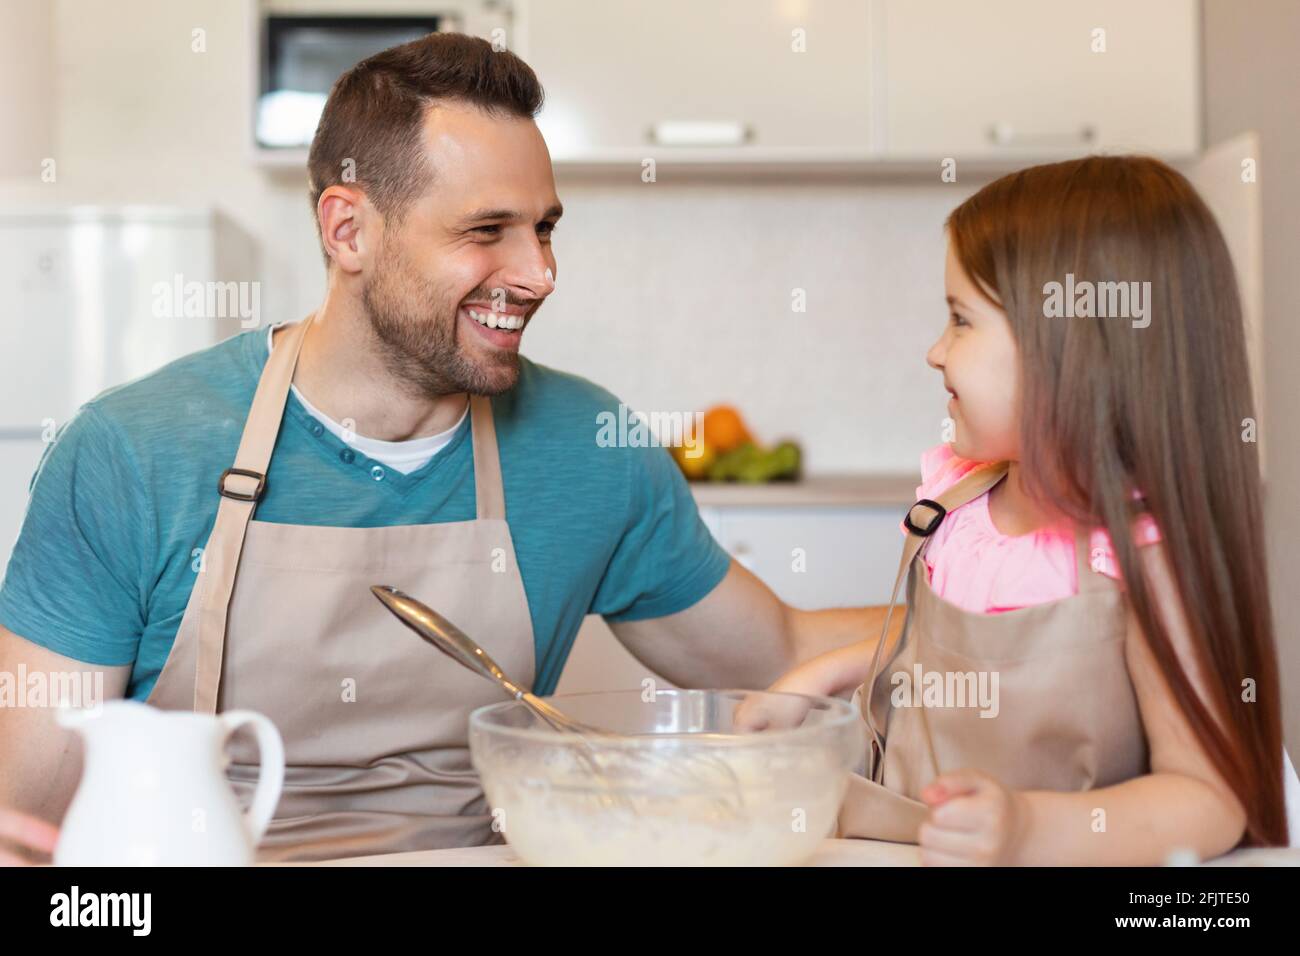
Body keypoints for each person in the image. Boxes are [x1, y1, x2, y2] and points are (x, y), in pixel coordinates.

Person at [0, 33, 878, 863]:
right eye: (486, 231)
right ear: (348, 231)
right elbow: (28, 819)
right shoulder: (132, 452)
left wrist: (1003, 622)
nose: (538, 274)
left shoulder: (589, 450)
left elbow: (782, 655)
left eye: (546, 229)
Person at [745, 155, 1290, 864]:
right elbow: (958, 657)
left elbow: (1209, 800)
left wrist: (1028, 830)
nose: (934, 352)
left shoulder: (1139, 554)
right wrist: (825, 679)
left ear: (1074, 349)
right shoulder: (957, 505)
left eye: (960, 320)